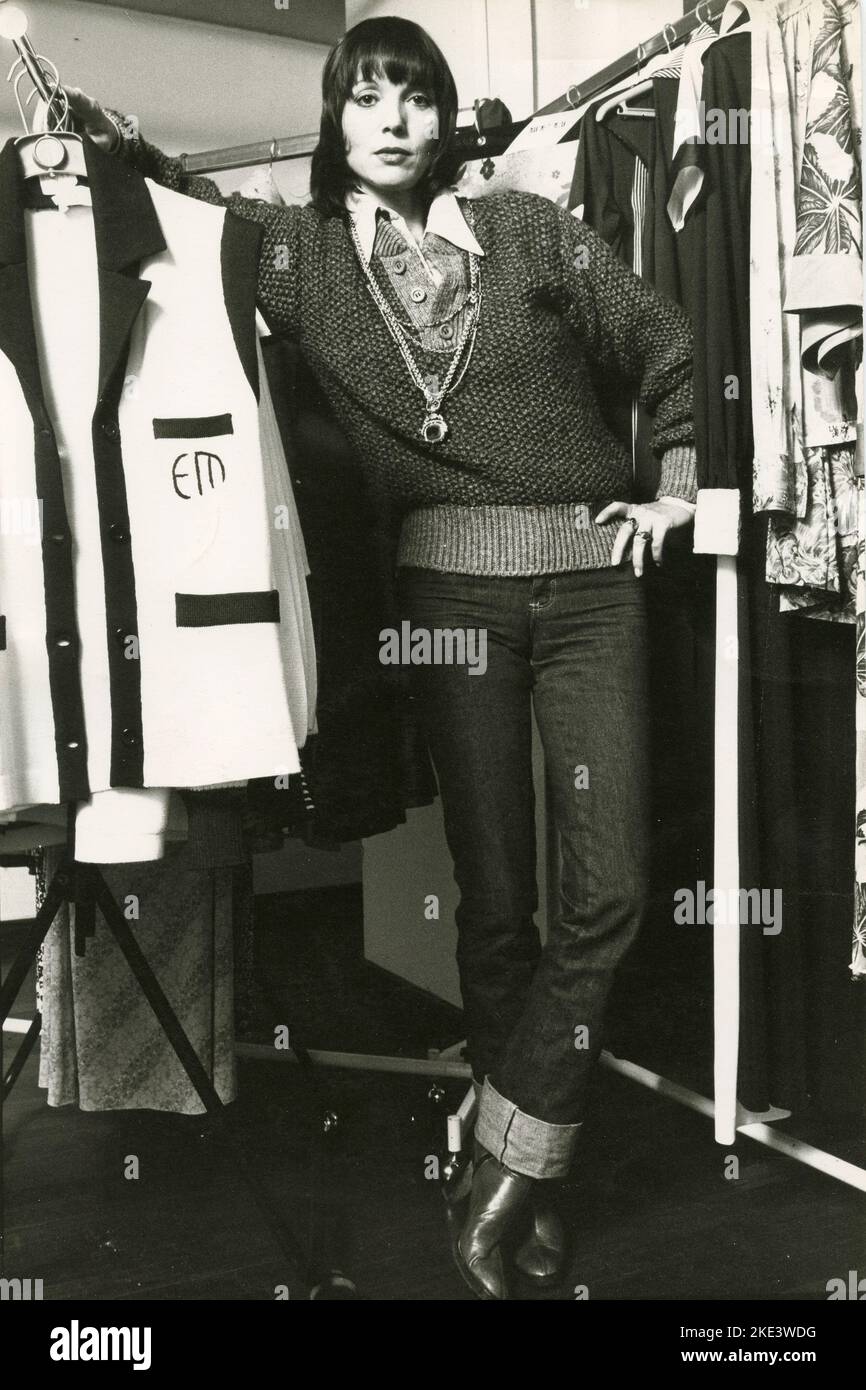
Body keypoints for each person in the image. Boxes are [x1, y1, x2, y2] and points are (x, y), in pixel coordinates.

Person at [68, 14, 697, 1300]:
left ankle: (505, 1163)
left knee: (612, 888)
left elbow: (667, 345)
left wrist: (675, 488)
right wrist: (95, 141)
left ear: (443, 116)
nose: (395, 119)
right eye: (368, 95)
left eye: (416, 95)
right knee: (492, 899)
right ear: (336, 118)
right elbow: (171, 224)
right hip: (447, 596)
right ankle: (510, 1156)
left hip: (591, 588)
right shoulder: (296, 260)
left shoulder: (526, 232)